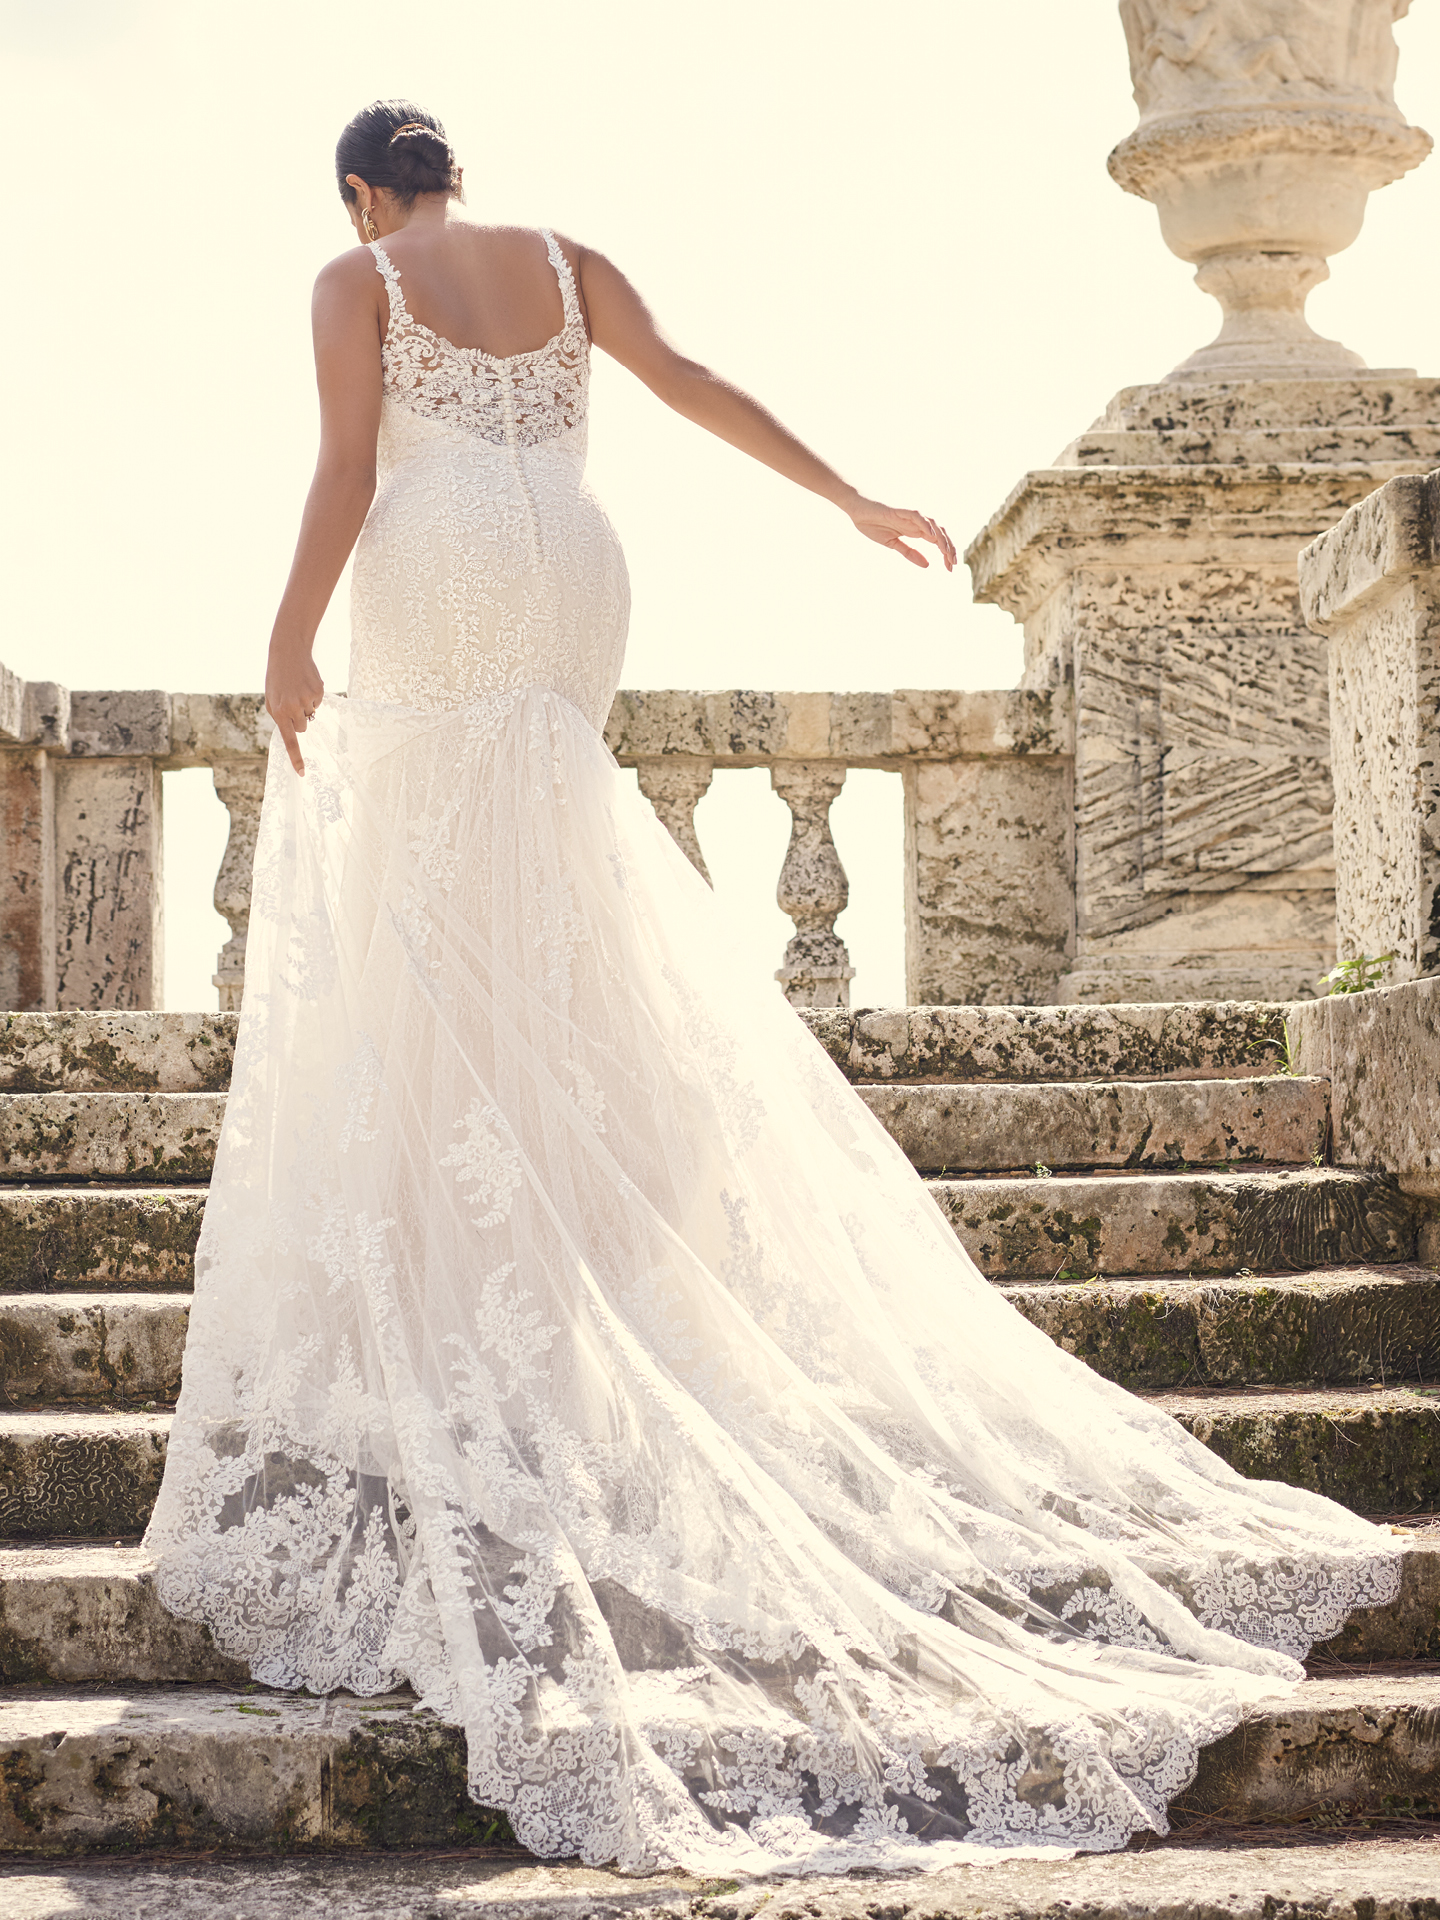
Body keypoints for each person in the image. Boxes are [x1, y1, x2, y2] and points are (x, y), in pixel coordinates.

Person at [145, 99, 1400, 1878]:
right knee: (545, 895)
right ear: (453, 178)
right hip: (575, 572)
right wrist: (851, 497)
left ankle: (488, 1298)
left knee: (434, 924)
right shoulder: (566, 263)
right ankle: (554, 1267)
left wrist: (286, 633)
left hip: (440, 568)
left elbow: (351, 463)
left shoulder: (357, 277)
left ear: (364, 192)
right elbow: (698, 388)